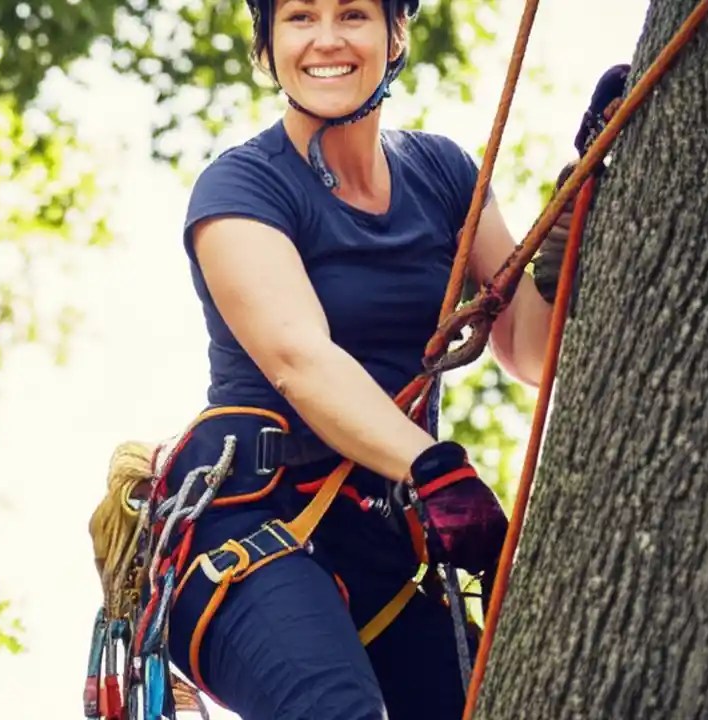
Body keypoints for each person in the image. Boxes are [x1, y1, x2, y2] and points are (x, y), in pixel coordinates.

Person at [148, 1, 578, 718]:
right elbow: (299, 360)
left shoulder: (441, 174)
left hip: (380, 561)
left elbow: (529, 349)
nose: (326, 40)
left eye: (352, 13)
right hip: (254, 530)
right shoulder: (241, 188)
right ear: (269, 45)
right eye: (299, 17)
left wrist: (567, 241)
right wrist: (436, 469)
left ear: (394, 34)